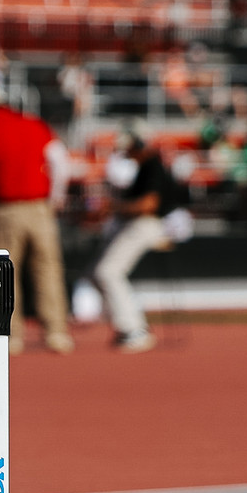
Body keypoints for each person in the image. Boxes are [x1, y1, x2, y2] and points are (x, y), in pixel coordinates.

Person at [0, 82, 72, 354]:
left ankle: (12, 336)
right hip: (40, 208)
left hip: (4, 211)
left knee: (4, 275)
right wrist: (56, 198)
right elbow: (61, 161)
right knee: (48, 269)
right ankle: (56, 332)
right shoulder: (34, 125)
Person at [94, 127, 189, 353]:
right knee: (95, 273)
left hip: (149, 225)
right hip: (142, 224)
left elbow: (148, 206)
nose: (126, 155)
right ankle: (128, 326)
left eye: (128, 150)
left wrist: (115, 207)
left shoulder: (151, 166)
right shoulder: (145, 167)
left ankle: (135, 330)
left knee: (107, 272)